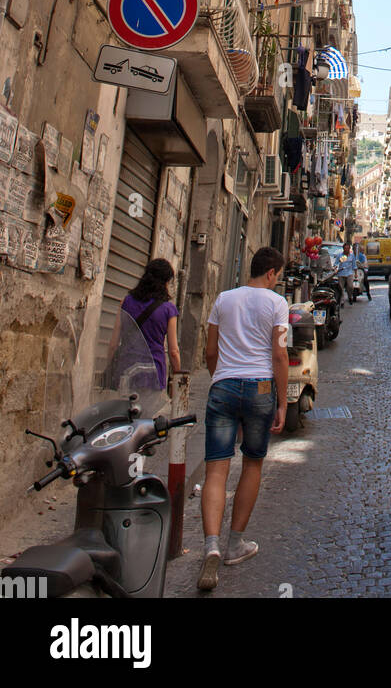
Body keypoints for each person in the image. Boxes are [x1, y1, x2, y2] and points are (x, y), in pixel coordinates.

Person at [197, 246, 289, 592]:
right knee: (252, 464)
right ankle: (235, 544)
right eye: (278, 276)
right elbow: (279, 355)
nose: (277, 281)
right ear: (271, 273)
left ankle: (211, 546)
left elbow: (210, 351)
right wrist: (281, 403)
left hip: (223, 386)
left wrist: (219, 379)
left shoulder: (223, 299)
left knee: (216, 469)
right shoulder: (275, 304)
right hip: (259, 389)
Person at [107, 258, 181, 391]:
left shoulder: (126, 302)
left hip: (126, 367)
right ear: (166, 282)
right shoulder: (169, 310)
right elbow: (174, 351)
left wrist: (109, 368)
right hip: (152, 372)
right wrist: (177, 378)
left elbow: (113, 344)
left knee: (124, 409)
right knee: (147, 411)